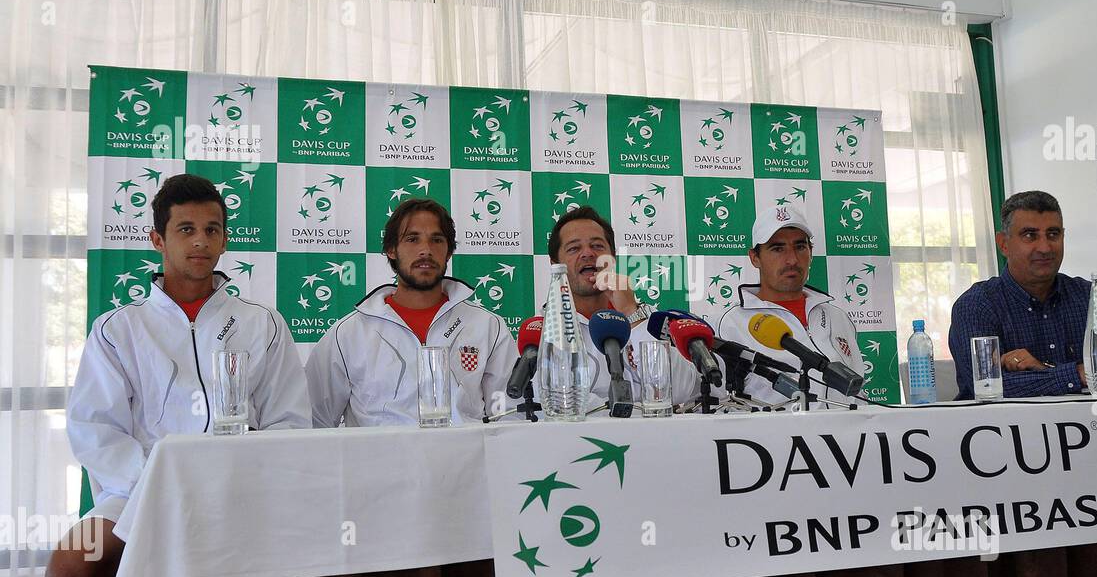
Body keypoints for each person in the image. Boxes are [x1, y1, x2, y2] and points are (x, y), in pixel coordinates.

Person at [49, 174, 310, 577]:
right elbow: (95, 430)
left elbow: (291, 424)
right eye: (186, 228)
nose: (200, 242)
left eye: (212, 229)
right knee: (72, 568)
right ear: (157, 239)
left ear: (225, 239)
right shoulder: (118, 330)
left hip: (244, 495)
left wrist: (240, 476)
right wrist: (162, 483)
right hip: (139, 498)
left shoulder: (261, 324)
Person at [306, 197, 517, 426]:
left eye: (436, 240)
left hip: (466, 460)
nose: (426, 250)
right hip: (379, 461)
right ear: (391, 250)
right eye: (412, 239)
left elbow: (508, 414)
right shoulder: (348, 334)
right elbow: (313, 423)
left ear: (448, 252)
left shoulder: (487, 326)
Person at [543, 205, 700, 410]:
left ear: (612, 257)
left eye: (597, 246)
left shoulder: (650, 320)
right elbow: (556, 401)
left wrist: (630, 313)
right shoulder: (544, 330)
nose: (588, 254)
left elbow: (678, 391)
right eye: (574, 248)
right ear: (555, 264)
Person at [949, 190, 1097, 400]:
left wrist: (1040, 368)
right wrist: (1077, 374)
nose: (1045, 247)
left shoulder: (1089, 297)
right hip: (997, 430)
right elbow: (988, 387)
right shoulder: (976, 305)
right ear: (1003, 244)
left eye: (1053, 234)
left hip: (1090, 426)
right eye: (1030, 235)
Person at [717, 205, 865, 407]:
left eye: (800, 247)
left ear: (811, 253)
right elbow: (717, 406)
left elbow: (858, 395)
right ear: (755, 258)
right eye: (777, 248)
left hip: (847, 437)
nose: (792, 259)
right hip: (771, 439)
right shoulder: (730, 324)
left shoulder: (837, 316)